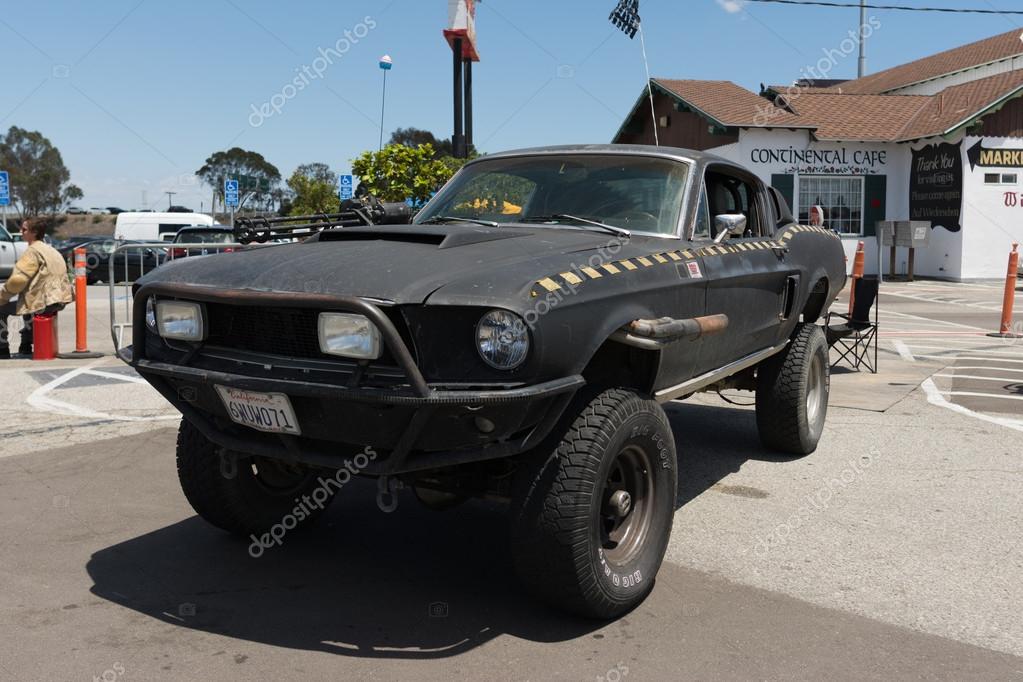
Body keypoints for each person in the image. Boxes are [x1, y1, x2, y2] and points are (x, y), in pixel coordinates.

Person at [0, 218, 74, 358]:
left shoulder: (32, 251)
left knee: (2, 307)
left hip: (44, 302)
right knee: (27, 303)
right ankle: (26, 345)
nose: (21, 232)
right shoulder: (52, 250)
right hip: (58, 300)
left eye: (24, 229)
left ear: (34, 232)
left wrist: (2, 296)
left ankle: (2, 349)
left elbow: (18, 280)